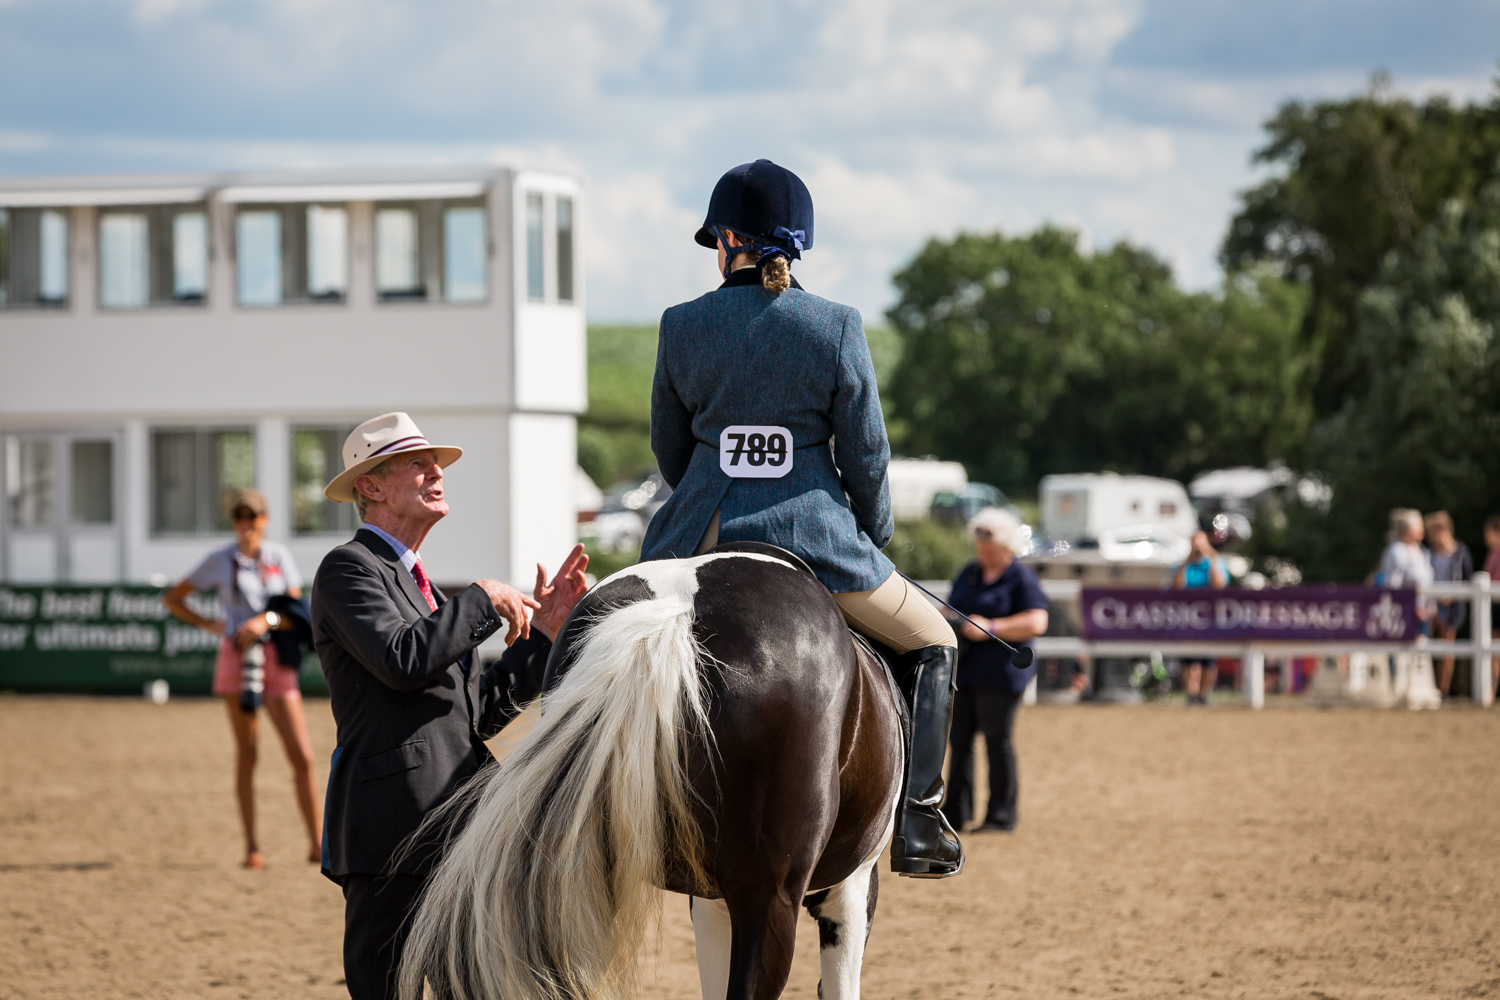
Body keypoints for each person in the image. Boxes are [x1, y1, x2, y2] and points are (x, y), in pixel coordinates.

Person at [638, 159, 962, 877]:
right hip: (819, 545)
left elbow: (670, 452)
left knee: (601, 634)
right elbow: (868, 455)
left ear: (729, 240)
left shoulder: (682, 324)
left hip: (701, 535)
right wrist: (869, 538)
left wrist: (705, 501)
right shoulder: (836, 327)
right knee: (936, 641)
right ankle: (918, 819)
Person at [310, 412, 589, 1000]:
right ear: (371, 485)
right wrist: (483, 597)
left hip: (456, 831)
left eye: (435, 463)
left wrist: (543, 636)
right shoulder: (347, 569)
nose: (437, 472)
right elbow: (403, 660)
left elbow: (477, 714)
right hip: (390, 839)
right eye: (418, 463)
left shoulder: (420, 585)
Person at [162, 488, 320, 870]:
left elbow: (295, 612)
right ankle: (252, 847)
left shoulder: (279, 556)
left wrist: (263, 620)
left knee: (302, 756)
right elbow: (174, 598)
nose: (246, 524)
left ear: (265, 520)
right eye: (240, 517)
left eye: (253, 516)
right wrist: (209, 624)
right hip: (236, 659)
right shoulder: (220, 560)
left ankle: (317, 844)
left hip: (276, 658)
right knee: (248, 755)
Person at [940, 508, 1047, 834]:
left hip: (1001, 674)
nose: (982, 555)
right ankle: (955, 812)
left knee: (997, 742)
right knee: (959, 742)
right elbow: (949, 607)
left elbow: (1037, 621)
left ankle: (1000, 815)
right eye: (980, 548)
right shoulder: (969, 572)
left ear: (1007, 548)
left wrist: (992, 627)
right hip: (965, 671)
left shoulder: (1022, 578)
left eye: (989, 550)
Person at [1171, 529, 1230, 706]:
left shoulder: (1215, 562)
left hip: (1210, 618)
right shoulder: (1181, 565)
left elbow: (1219, 585)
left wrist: (1210, 557)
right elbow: (1176, 586)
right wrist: (1186, 561)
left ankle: (1204, 695)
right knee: (1189, 659)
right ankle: (1192, 694)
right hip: (1187, 618)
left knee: (1207, 658)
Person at [1424, 511, 1472, 697]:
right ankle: (1428, 686)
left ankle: (1442, 690)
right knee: (1426, 645)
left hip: (1450, 606)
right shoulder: (1429, 553)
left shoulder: (1460, 553)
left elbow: (1464, 578)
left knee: (1447, 647)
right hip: (1431, 604)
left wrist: (1451, 595)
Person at [1379, 508, 1434, 634]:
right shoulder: (1397, 551)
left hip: (1424, 612)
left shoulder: (1421, 551)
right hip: (1404, 613)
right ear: (1408, 530)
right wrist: (1411, 606)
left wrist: (1429, 606)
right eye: (1419, 526)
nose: (1422, 529)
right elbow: (1393, 584)